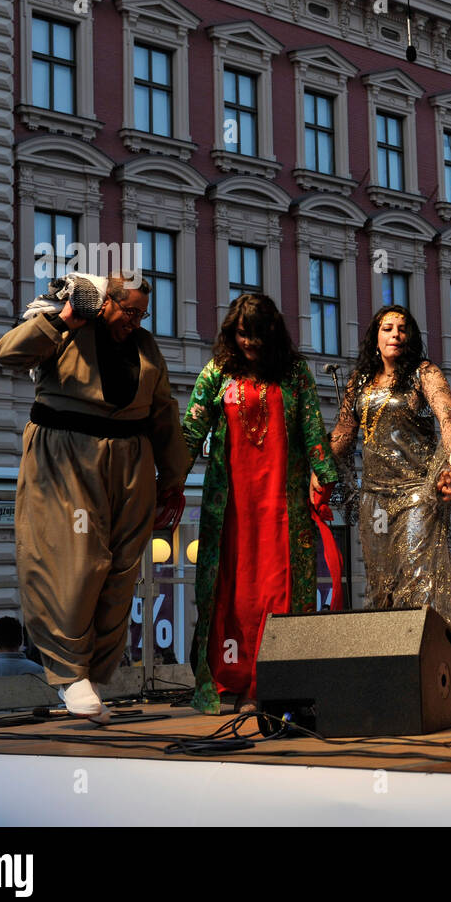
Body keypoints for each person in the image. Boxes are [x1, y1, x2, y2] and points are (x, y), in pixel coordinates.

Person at [0, 272, 188, 723]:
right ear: (105, 303)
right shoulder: (66, 329)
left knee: (120, 572)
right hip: (68, 456)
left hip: (130, 463)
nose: (135, 322)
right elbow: (7, 353)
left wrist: (173, 477)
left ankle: (95, 674)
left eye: (142, 314)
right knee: (75, 564)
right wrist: (62, 320)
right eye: (129, 311)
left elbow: (163, 410)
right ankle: (68, 671)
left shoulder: (145, 345)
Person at [179, 293, 341, 715]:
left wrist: (324, 477)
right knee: (234, 592)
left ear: (273, 335)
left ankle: (273, 681)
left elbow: (312, 427)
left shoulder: (295, 374)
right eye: (241, 333)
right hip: (231, 506)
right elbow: (192, 429)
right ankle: (234, 678)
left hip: (283, 506)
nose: (248, 342)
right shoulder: (217, 371)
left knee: (277, 590)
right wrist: (169, 480)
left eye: (256, 334)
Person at [329, 305, 451, 619]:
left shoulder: (424, 373)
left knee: (418, 576)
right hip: (375, 498)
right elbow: (344, 433)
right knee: (381, 584)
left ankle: (424, 645)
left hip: (417, 494)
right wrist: (318, 468)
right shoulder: (360, 381)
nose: (396, 335)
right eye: (387, 329)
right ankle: (388, 648)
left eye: (402, 329)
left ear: (411, 337)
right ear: (375, 339)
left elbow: (450, 419)